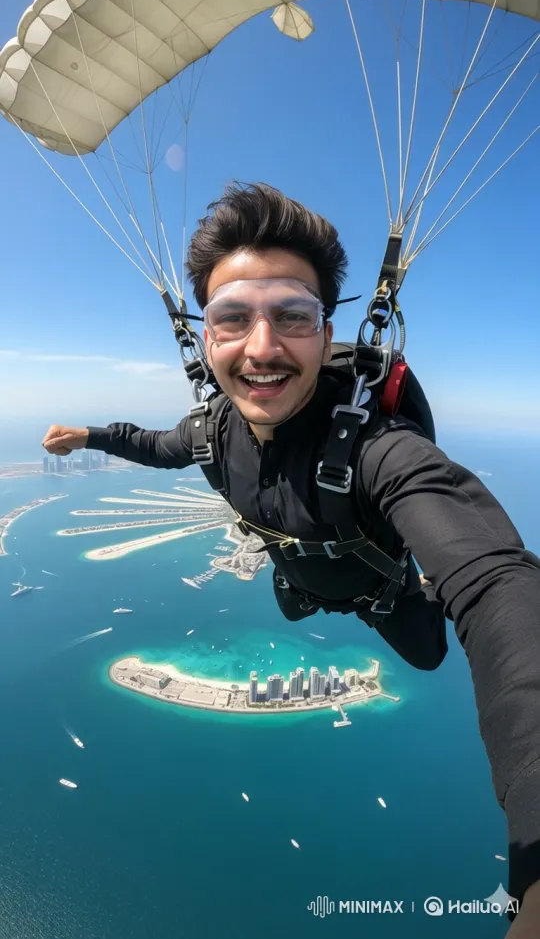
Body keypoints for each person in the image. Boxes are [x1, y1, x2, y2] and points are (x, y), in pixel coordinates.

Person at [42, 183, 540, 931]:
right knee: (291, 593)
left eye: (294, 316)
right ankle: (309, 585)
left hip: (382, 593)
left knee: (430, 653)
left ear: (326, 328)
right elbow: (150, 443)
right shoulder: (209, 434)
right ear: (202, 337)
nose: (263, 348)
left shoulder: (380, 452)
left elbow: (498, 580)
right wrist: (86, 433)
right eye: (232, 317)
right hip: (299, 578)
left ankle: (388, 598)